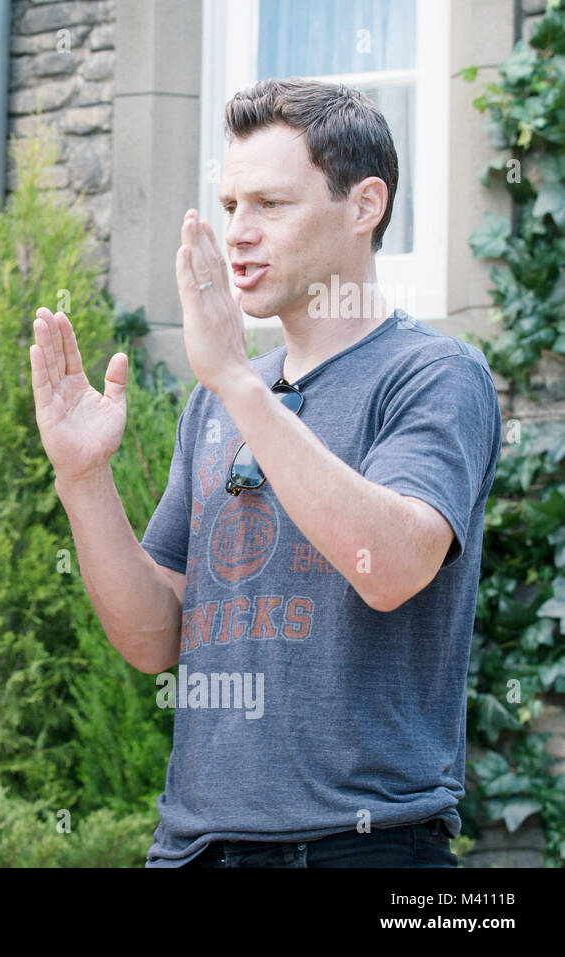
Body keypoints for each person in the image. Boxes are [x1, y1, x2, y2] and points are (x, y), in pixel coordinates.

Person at [30, 77, 501, 867]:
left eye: (271, 205)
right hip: (194, 847)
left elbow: (389, 568)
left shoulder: (434, 375)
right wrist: (83, 478)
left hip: (361, 844)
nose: (239, 234)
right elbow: (155, 637)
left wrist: (240, 386)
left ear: (365, 205)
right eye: (229, 206)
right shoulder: (216, 399)